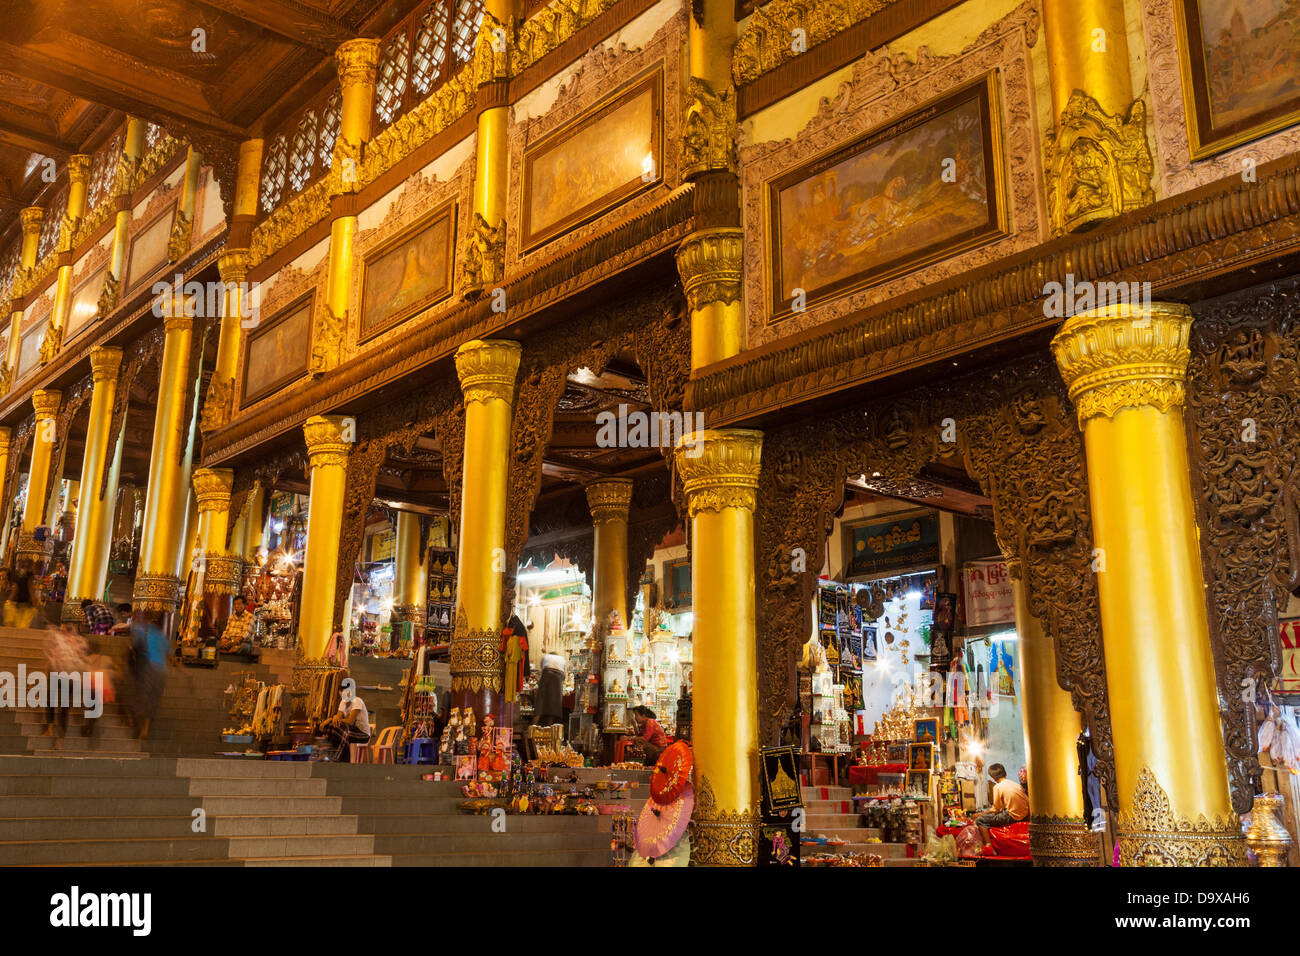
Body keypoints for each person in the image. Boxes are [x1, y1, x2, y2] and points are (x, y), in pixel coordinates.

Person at [43, 627, 89, 749]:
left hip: (67, 675)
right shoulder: (64, 639)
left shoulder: (76, 641)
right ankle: (53, 731)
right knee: (55, 703)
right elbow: (50, 653)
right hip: (61, 673)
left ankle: (56, 735)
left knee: (60, 706)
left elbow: (81, 659)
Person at [128, 617, 168, 740]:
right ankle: (145, 728)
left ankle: (137, 723)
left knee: (141, 698)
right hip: (161, 671)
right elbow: (170, 654)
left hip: (147, 669)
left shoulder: (141, 632)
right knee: (152, 700)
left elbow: (134, 647)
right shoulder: (162, 636)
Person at [324, 682, 371, 761]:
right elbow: (337, 718)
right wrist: (332, 719)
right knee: (333, 727)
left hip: (363, 734)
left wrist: (336, 719)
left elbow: (350, 721)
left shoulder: (357, 701)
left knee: (344, 731)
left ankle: (343, 760)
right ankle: (330, 754)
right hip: (351, 731)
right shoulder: (343, 702)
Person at [976, 762, 1029, 829]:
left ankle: (987, 840)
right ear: (1005, 773)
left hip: (1014, 817)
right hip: (1025, 815)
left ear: (993, 778)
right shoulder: (1015, 784)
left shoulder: (997, 787)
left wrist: (980, 814)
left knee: (980, 820)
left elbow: (995, 809)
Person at [534, 644, 565, 727]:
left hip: (546, 674)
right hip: (558, 677)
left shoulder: (546, 657)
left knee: (540, 704)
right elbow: (564, 676)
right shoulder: (562, 660)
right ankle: (549, 727)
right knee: (554, 706)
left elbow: (542, 671)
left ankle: (534, 726)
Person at [8, 558, 39, 628]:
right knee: (23, 625)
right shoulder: (29, 575)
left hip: (18, 604)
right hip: (26, 605)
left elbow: (15, 589)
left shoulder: (17, 575)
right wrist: (34, 601)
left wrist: (10, 600)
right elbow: (30, 588)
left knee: (17, 624)